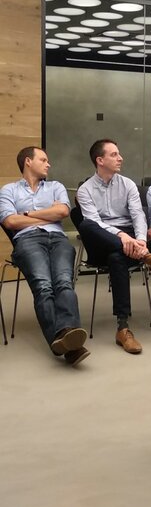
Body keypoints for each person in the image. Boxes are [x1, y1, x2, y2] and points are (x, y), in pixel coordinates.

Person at [0, 147, 89, 366]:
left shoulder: (55, 186)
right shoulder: (8, 190)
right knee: (43, 286)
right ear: (28, 161)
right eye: (43, 160)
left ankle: (65, 338)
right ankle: (66, 342)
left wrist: (27, 215)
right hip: (27, 241)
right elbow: (10, 222)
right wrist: (48, 216)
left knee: (63, 283)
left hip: (58, 239)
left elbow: (62, 212)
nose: (48, 164)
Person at [76, 139, 151, 354]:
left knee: (117, 258)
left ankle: (123, 328)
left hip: (129, 242)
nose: (120, 158)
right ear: (100, 160)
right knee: (86, 225)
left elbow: (137, 215)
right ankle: (145, 256)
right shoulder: (85, 190)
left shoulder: (128, 184)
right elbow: (95, 223)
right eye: (114, 154)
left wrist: (140, 240)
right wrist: (122, 236)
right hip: (101, 239)